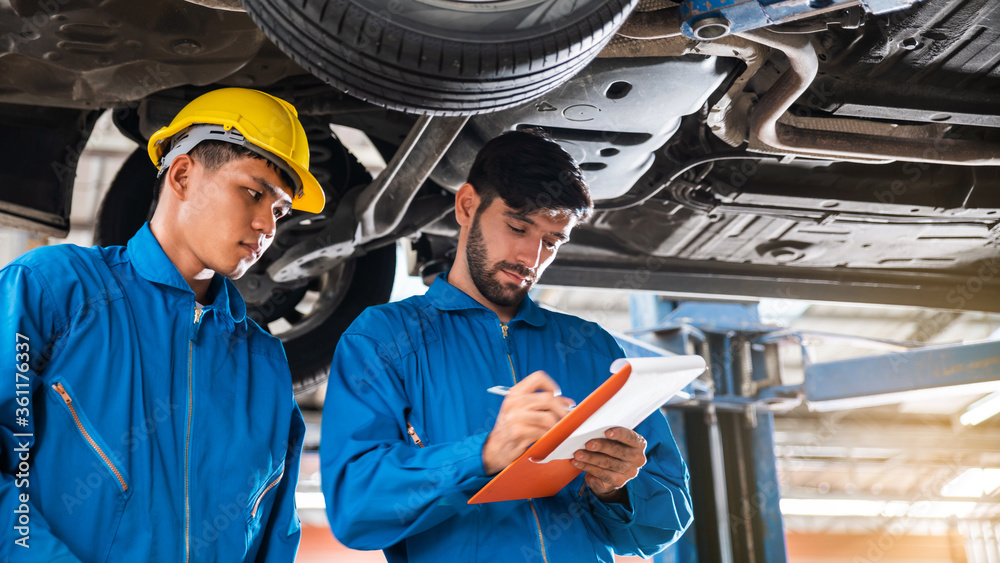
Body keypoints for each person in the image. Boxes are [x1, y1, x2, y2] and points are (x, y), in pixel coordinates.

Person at [321, 130, 694, 561]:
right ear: (467, 206)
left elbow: (662, 526)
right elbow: (355, 507)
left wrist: (618, 488)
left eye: (552, 242)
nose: (531, 258)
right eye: (518, 226)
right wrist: (482, 456)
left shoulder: (593, 348)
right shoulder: (384, 339)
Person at [0, 87, 325, 562]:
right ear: (182, 174)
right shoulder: (55, 290)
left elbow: (275, 535)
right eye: (254, 193)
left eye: (279, 210)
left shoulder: (264, 364)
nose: (267, 226)